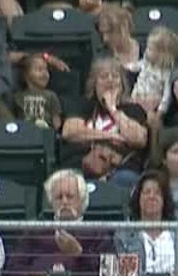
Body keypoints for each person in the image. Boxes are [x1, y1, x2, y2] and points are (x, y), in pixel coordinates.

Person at [62, 57, 150, 186]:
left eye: (115, 77)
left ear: (122, 84)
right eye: (104, 77)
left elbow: (138, 139)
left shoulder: (133, 110)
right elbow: (70, 132)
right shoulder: (83, 106)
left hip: (119, 169)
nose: (110, 80)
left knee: (125, 179)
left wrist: (112, 108)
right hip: (81, 165)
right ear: (94, 84)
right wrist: (110, 136)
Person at [130, 27, 178, 120]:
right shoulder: (145, 63)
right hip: (137, 97)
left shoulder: (166, 73)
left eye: (150, 49)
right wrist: (124, 65)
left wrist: (160, 111)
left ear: (162, 53)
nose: (146, 50)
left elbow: (166, 94)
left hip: (152, 103)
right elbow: (134, 67)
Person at [12, 53, 64, 133]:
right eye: (39, 70)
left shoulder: (51, 96)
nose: (44, 73)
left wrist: (55, 132)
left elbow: (56, 121)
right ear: (26, 75)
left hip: (45, 133)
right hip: (24, 133)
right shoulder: (18, 96)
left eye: (46, 70)